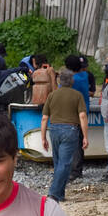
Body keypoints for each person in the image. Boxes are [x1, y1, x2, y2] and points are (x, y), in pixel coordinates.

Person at [40, 70, 89, 203]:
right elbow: (82, 116)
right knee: (65, 163)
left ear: (60, 81)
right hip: (70, 130)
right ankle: (53, 194)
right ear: (72, 81)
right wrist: (85, 136)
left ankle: (60, 194)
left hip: (54, 129)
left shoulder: (52, 95)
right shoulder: (77, 95)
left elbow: (44, 118)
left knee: (58, 163)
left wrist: (43, 137)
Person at [65, 55, 93, 180]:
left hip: (73, 114)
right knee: (79, 141)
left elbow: (59, 91)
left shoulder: (72, 80)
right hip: (83, 111)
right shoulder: (84, 76)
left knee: (74, 143)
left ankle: (75, 171)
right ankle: (77, 169)